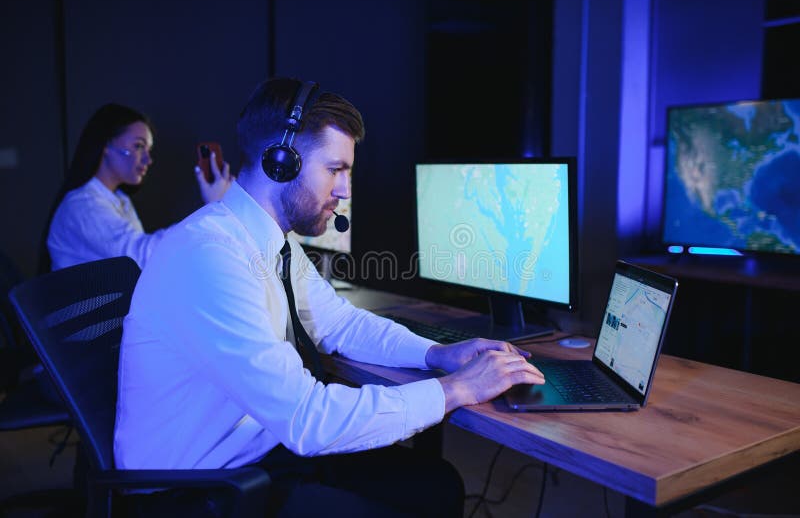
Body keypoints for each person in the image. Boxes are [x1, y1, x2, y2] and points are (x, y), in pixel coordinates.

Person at [114, 78, 545, 517]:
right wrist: (458, 388)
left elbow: (339, 322)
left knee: (436, 486)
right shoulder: (208, 256)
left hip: (259, 454)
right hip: (195, 492)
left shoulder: (269, 241)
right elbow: (307, 420)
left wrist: (437, 354)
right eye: (335, 169)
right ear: (280, 162)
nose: (345, 191)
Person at [44, 103, 233, 271]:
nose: (148, 159)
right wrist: (212, 209)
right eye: (139, 146)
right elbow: (140, 259)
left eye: (148, 150)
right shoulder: (84, 206)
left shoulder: (120, 199)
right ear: (106, 145)